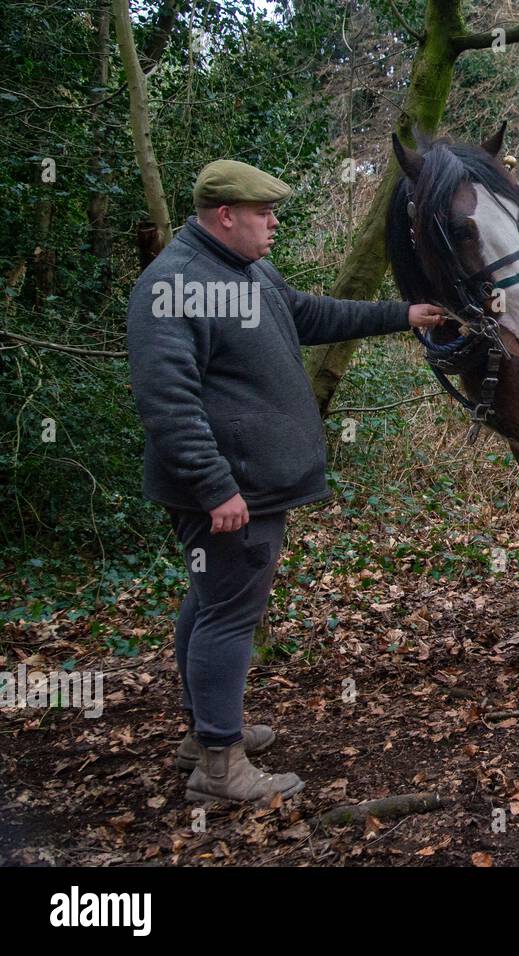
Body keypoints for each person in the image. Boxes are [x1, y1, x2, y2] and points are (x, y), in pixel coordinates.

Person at [127, 160, 447, 804]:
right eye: (263, 214)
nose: (274, 224)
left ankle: (204, 734)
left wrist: (404, 314)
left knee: (209, 601)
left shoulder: (246, 271)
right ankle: (220, 767)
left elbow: (309, 315)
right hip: (232, 489)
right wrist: (215, 487)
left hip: (251, 483)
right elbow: (167, 402)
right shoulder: (175, 284)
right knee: (229, 614)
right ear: (225, 216)